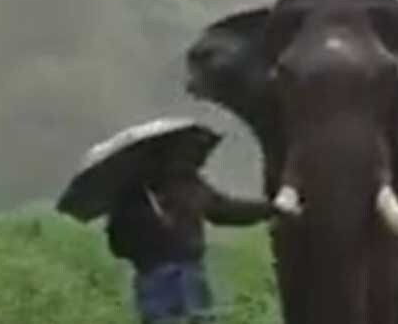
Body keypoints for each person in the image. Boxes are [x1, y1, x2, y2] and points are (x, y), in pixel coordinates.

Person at [105, 136, 279, 323]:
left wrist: (270, 209)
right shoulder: (181, 185)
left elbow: (118, 246)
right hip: (180, 275)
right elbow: (225, 210)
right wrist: (272, 209)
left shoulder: (130, 193)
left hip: (154, 277)